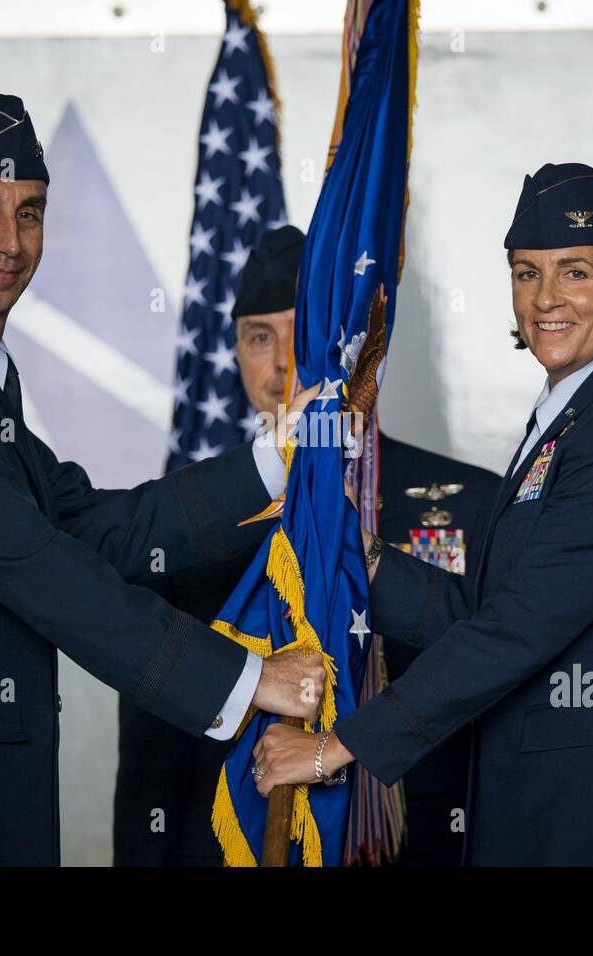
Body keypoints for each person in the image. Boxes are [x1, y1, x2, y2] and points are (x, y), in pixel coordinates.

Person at [0, 93, 323, 866]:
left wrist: (271, 460)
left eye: (30, 213)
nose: (8, 241)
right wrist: (250, 681)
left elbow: (99, 530)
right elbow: (50, 575)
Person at [253, 163, 593, 866]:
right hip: (549, 803)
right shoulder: (573, 417)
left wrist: (334, 749)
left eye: (575, 272)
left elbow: (518, 628)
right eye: (527, 272)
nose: (545, 298)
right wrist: (357, 553)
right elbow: (489, 610)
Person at [113, 226, 498, 866]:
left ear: (350, 347)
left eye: (306, 333)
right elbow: (154, 760)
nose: (286, 362)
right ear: (234, 353)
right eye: (260, 337)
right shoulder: (184, 528)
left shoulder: (470, 504)